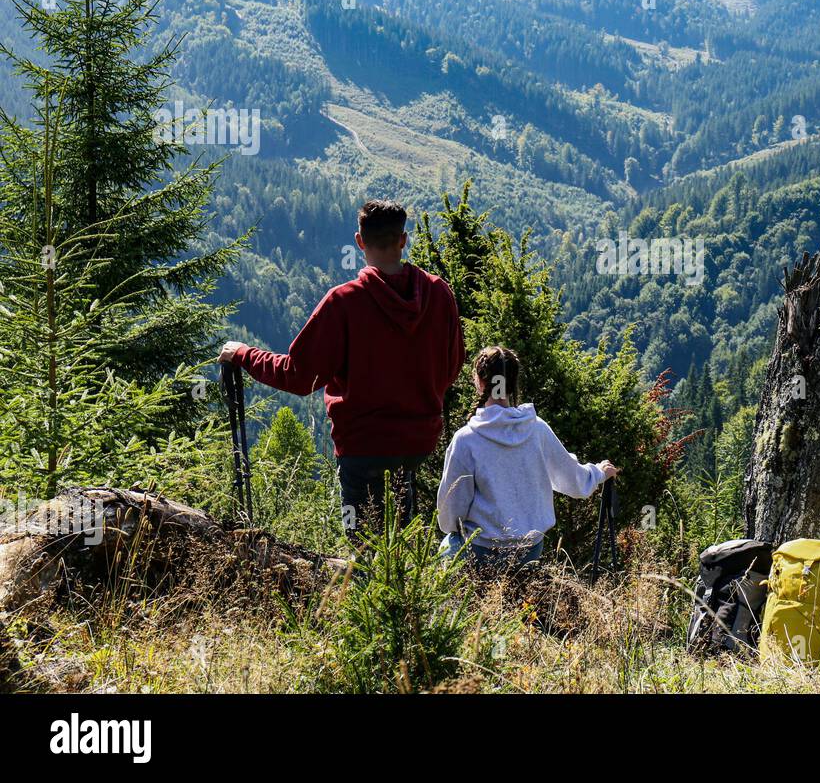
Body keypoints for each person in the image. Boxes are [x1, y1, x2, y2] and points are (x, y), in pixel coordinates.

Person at [219, 199, 465, 542]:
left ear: (360, 241)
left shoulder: (344, 302)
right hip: (417, 442)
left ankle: (368, 586)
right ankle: (406, 589)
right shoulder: (438, 294)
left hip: (363, 447)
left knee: (362, 542)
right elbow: (453, 365)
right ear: (403, 240)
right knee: (400, 535)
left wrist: (244, 354)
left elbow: (299, 376)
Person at [437, 346, 618, 571]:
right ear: (513, 384)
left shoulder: (466, 440)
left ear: (479, 382)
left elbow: (449, 518)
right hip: (529, 551)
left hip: (482, 552)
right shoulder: (536, 429)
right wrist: (600, 472)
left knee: (448, 546)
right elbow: (574, 480)